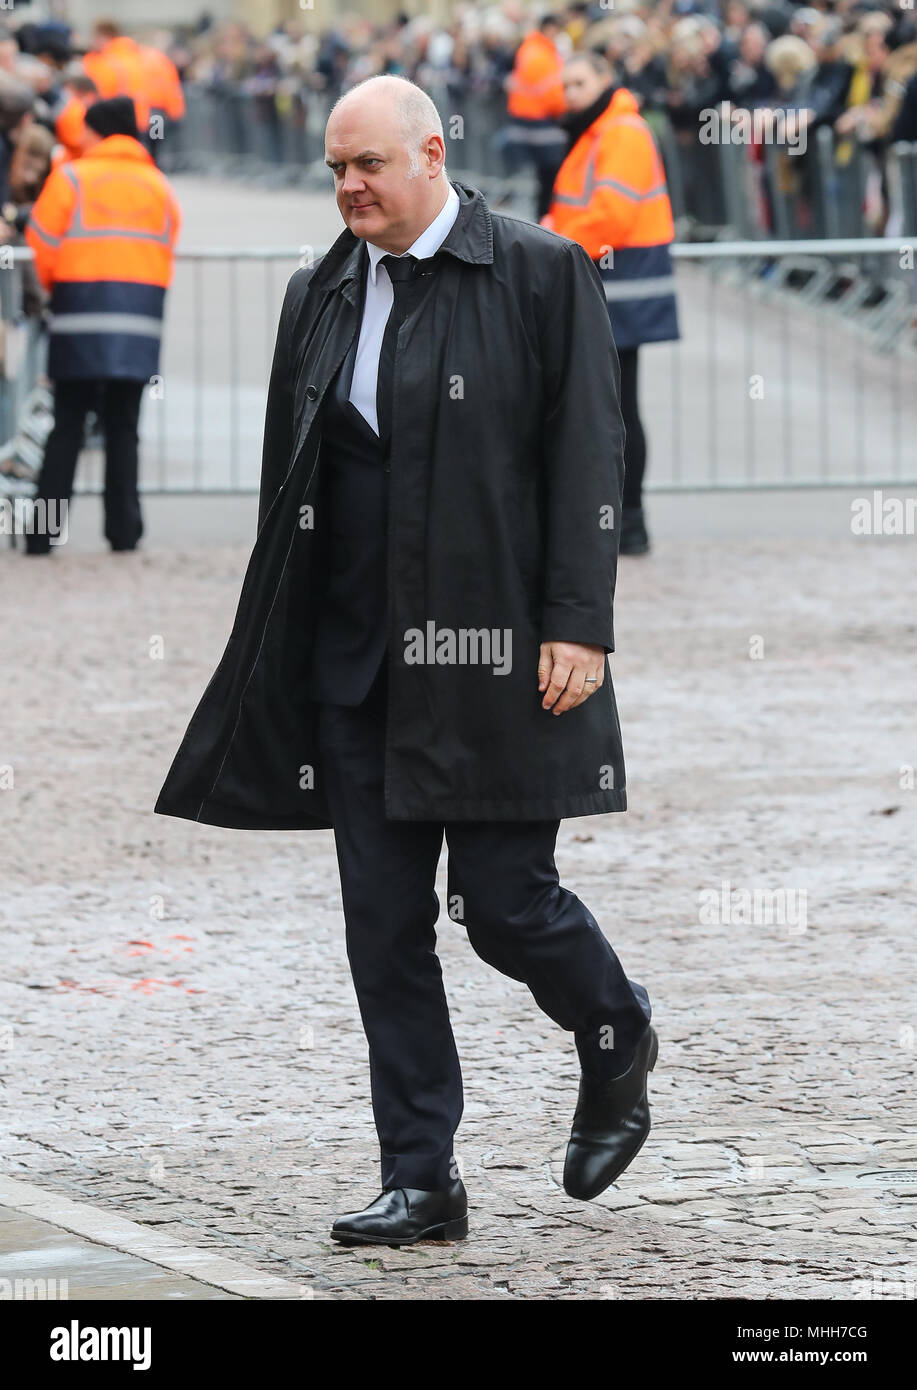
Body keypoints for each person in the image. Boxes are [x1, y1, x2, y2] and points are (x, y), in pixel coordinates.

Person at [155, 74, 657, 1249]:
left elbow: (591, 454)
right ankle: (420, 1175)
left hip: (496, 659)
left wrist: (578, 621)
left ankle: (614, 1028)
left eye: (367, 166)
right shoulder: (317, 289)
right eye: (335, 169)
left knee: (503, 908)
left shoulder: (537, 272)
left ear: (431, 154)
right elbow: (295, 480)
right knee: (382, 927)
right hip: (355, 664)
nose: (347, 189)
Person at [23, 96, 181, 554]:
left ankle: (43, 535)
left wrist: (51, 293)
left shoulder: (71, 177)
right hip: (140, 317)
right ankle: (125, 532)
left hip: (78, 316)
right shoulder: (157, 183)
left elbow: (41, 245)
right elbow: (168, 239)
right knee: (124, 426)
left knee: (67, 424)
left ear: (97, 132)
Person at [542, 51, 679, 555]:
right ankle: (620, 520)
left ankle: (630, 521)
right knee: (611, 408)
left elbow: (612, 217)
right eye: (566, 84)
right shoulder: (603, 130)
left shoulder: (620, 131)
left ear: (605, 79)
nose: (570, 94)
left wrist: (553, 244)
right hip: (613, 285)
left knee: (616, 409)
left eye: (578, 82)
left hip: (622, 288)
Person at [503, 14, 569, 219]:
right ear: (550, 29)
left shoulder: (530, 50)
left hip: (530, 121)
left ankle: (544, 218)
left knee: (543, 179)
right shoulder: (541, 54)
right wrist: (567, 108)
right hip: (543, 124)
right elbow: (551, 93)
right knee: (550, 179)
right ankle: (546, 219)